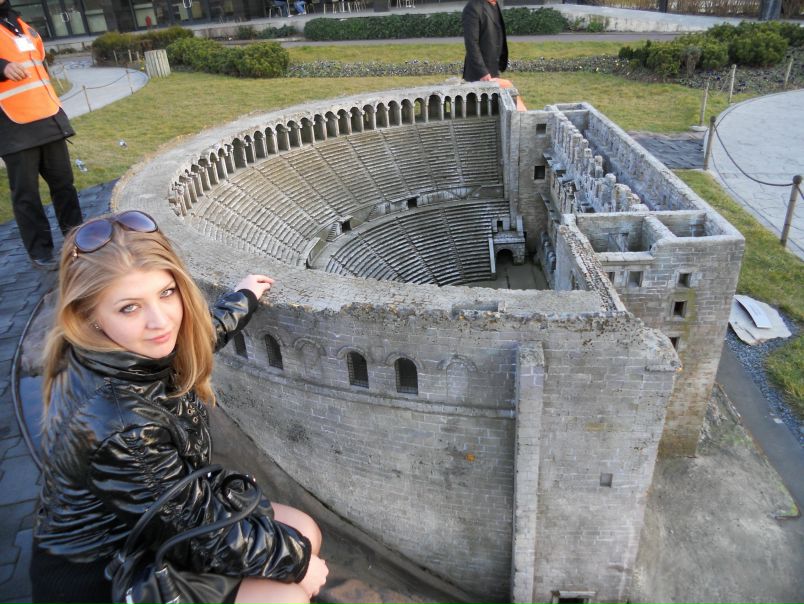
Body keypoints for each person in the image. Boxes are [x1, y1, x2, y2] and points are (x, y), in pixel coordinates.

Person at [30, 210, 329, 604]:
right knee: (286, 594)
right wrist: (298, 563)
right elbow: (194, 531)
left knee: (304, 529)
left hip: (157, 520)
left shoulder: (119, 348)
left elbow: (195, 339)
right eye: (129, 308)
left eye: (166, 293)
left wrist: (243, 299)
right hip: (108, 570)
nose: (160, 321)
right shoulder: (122, 424)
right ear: (90, 315)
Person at [0, 0, 83, 270]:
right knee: (27, 194)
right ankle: (41, 252)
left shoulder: (21, 25)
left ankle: (78, 240)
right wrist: (1, 66)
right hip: (14, 124)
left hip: (48, 117)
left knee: (64, 185)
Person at [461, 0, 508, 83]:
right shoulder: (473, 7)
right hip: (479, 75)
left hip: (494, 68)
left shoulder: (495, 4)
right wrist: (483, 72)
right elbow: (472, 44)